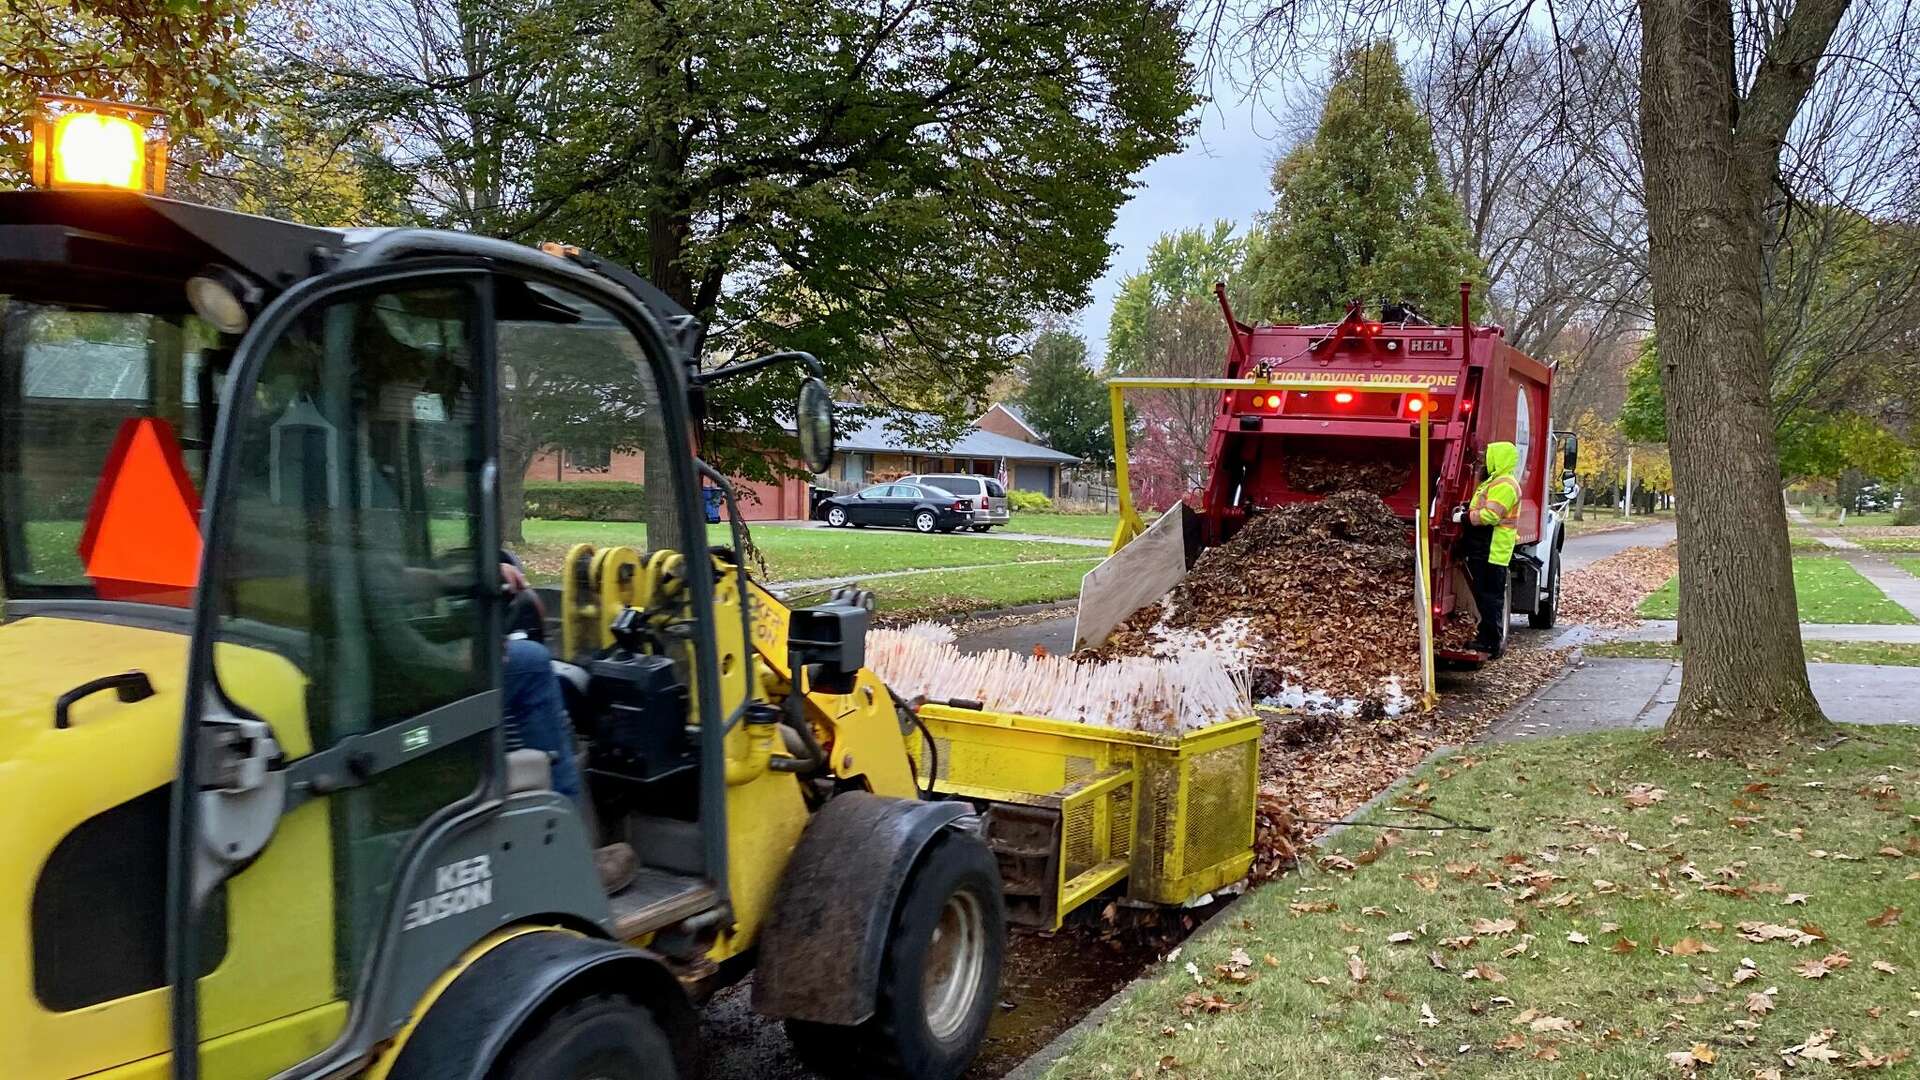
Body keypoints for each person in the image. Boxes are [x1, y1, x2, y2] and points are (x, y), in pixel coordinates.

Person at [1457, 441, 1522, 657]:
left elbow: (1490, 516)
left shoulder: (1504, 485)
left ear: (1498, 459)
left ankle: (1490, 643)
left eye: (1489, 456)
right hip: (1488, 547)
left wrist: (1465, 517)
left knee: (1490, 598)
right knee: (1487, 596)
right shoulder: (1496, 482)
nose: (1485, 461)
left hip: (1492, 549)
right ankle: (1487, 639)